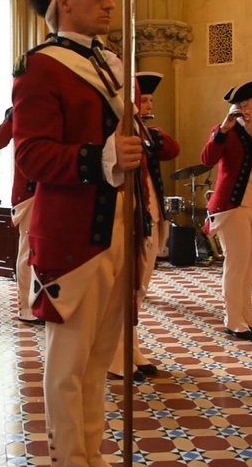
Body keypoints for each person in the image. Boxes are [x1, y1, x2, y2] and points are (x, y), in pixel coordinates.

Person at [14, 0, 145, 466]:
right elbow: (34, 158)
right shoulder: (41, 67)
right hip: (73, 236)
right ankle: (70, 458)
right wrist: (103, 156)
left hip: (118, 227)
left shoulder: (111, 64)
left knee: (98, 361)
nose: (110, 2)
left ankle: (92, 452)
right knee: (67, 365)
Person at [108, 72, 180, 381]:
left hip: (149, 216)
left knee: (138, 289)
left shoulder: (146, 131)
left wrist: (146, 128)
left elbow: (172, 149)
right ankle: (115, 356)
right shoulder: (119, 131)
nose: (147, 103)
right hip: (126, 217)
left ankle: (132, 348)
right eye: (142, 97)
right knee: (122, 290)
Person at [201, 80, 252, 341]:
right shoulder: (224, 131)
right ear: (244, 105)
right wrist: (224, 129)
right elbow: (207, 159)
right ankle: (232, 318)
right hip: (232, 206)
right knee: (236, 264)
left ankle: (248, 315)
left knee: (251, 263)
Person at [0, 106, 43, 326]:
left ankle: (44, 304)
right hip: (29, 191)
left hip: (54, 187)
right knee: (28, 251)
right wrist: (11, 117)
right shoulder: (21, 109)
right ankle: (27, 307)